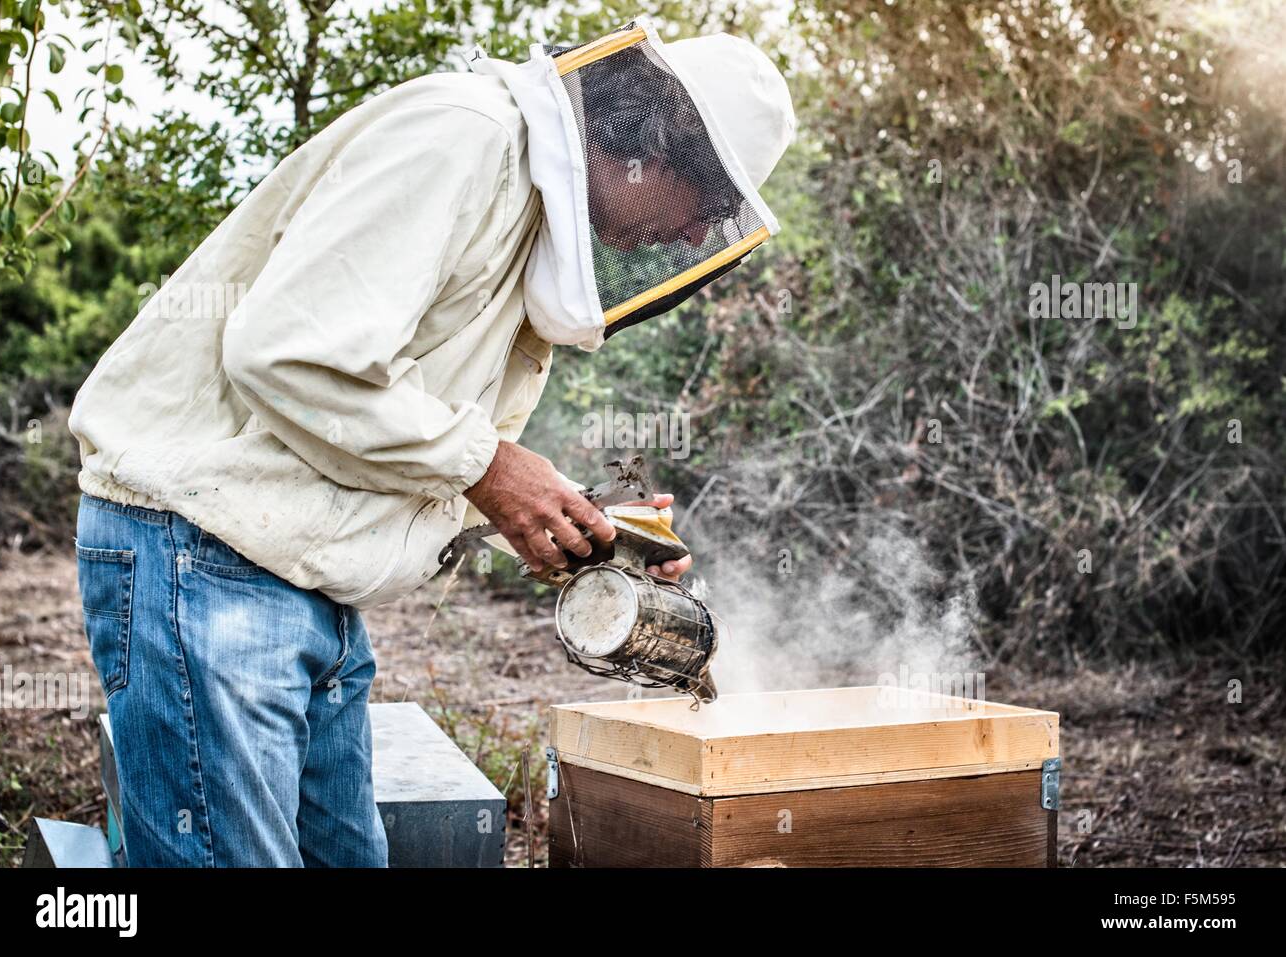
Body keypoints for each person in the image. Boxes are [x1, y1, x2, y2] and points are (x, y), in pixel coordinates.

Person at [68, 16, 795, 866]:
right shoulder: (465, 138)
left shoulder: (529, 225)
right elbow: (288, 352)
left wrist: (581, 520)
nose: (692, 239)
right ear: (661, 147)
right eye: (706, 207)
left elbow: (390, 434)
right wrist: (490, 466)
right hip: (200, 558)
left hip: (302, 579)